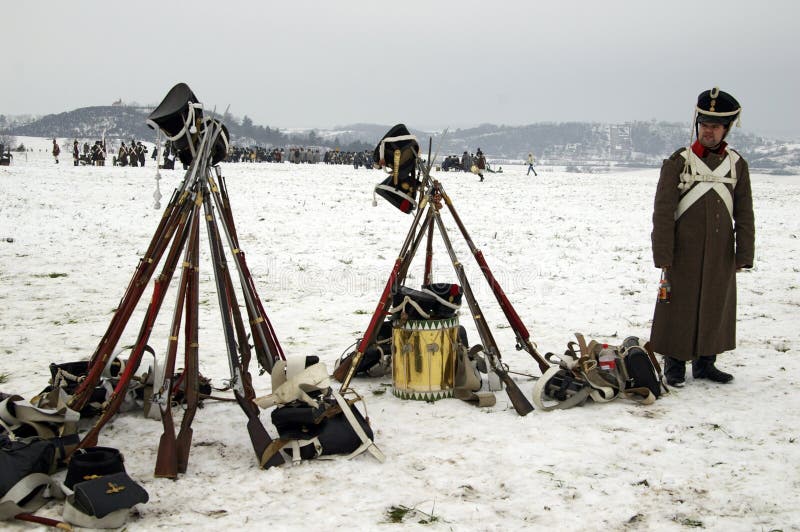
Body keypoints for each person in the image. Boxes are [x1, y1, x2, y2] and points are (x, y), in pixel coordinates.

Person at [649, 87, 755, 387]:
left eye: (715, 126)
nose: (708, 132)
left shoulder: (737, 164)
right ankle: (674, 365)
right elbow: (663, 212)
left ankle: (706, 363)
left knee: (715, 305)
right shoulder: (679, 162)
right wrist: (664, 255)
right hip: (684, 251)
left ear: (726, 128)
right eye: (704, 125)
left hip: (721, 251)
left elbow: (744, 213)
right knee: (678, 307)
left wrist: (743, 254)